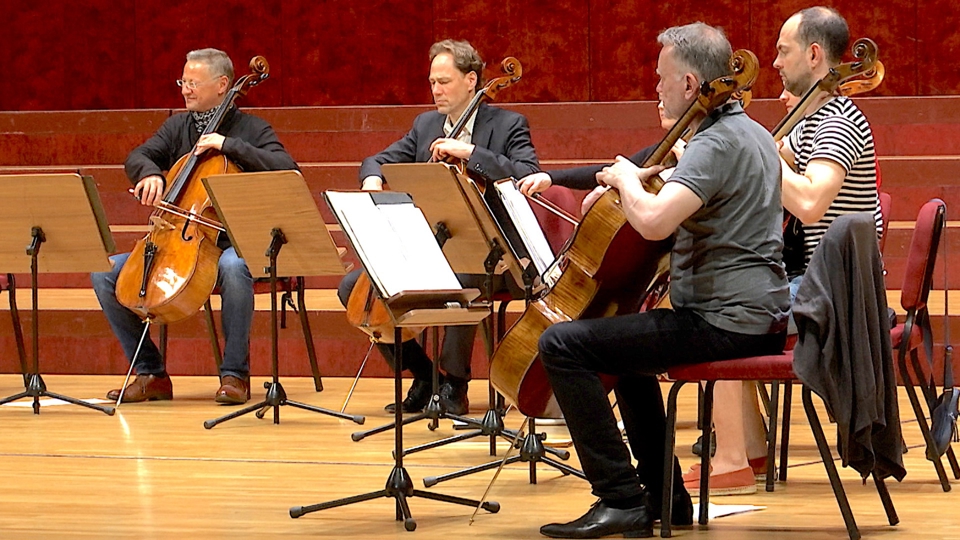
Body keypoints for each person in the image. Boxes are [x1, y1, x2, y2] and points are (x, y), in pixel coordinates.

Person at [533, 23, 789, 539]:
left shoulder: (715, 143)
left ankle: (620, 497)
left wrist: (628, 178)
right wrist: (639, 185)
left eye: (662, 78)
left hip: (725, 321)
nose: (656, 87)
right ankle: (666, 498)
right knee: (624, 350)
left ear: (691, 85)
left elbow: (653, 222)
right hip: (753, 315)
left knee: (563, 344)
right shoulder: (753, 133)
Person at [683, 6, 883, 497]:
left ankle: (732, 460)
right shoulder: (808, 122)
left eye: (783, 51)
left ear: (814, 55)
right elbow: (764, 159)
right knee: (733, 294)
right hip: (811, 283)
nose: (773, 63)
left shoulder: (841, 122)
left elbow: (812, 203)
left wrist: (756, 145)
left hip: (833, 296)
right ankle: (747, 445)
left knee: (721, 305)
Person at [337, 39, 539, 416]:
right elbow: (377, 158)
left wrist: (472, 155)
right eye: (432, 82)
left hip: (498, 256)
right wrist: (372, 178)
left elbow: (528, 174)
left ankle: (455, 384)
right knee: (353, 288)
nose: (436, 90)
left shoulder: (508, 124)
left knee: (463, 274)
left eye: (444, 81)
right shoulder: (426, 124)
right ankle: (425, 375)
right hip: (432, 247)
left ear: (471, 81)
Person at [92, 48, 299, 405]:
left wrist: (229, 146)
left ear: (222, 85)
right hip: (178, 239)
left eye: (192, 83)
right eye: (182, 82)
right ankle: (150, 373)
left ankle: (235, 375)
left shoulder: (251, 128)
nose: (185, 90)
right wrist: (151, 173)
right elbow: (137, 156)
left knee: (235, 267)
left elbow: (286, 166)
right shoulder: (177, 127)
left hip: (230, 243)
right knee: (105, 272)